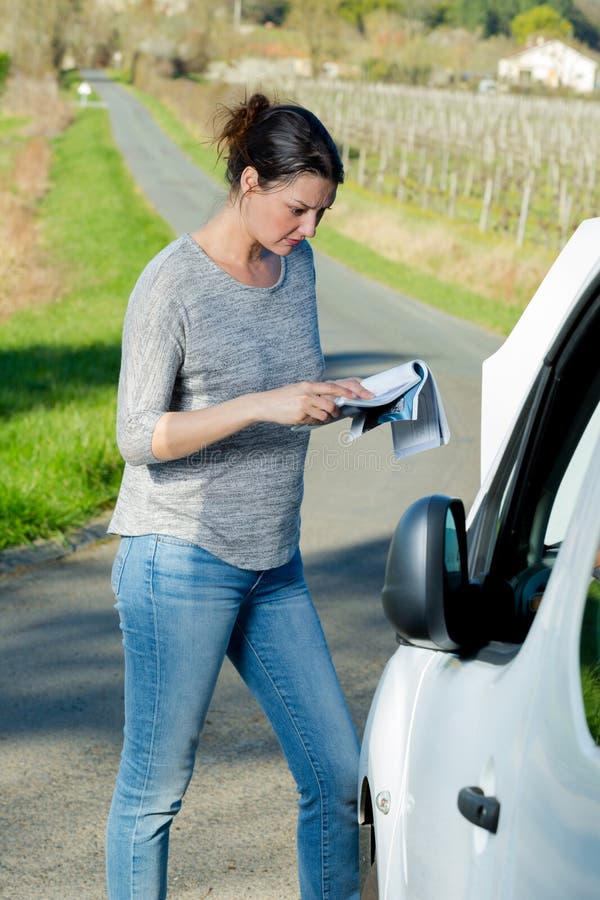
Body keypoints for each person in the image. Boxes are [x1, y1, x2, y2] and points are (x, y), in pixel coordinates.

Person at [105, 92, 374, 899]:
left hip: (273, 563)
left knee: (336, 773)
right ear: (250, 181)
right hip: (178, 556)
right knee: (154, 795)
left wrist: (340, 397)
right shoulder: (171, 286)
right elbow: (138, 436)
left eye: (321, 213)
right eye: (298, 209)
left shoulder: (300, 269)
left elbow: (281, 389)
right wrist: (265, 404)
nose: (309, 230)